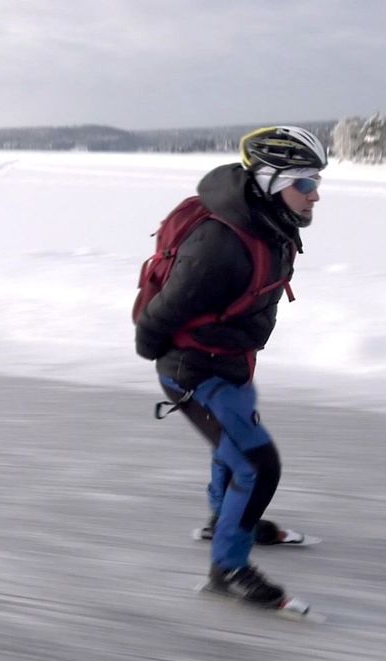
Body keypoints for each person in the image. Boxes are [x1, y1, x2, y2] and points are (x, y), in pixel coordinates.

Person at [134, 126, 327, 607]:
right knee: (258, 466)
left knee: (234, 445)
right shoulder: (219, 246)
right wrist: (163, 355)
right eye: (303, 183)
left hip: (231, 361)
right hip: (195, 369)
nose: (315, 195)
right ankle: (228, 568)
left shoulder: (269, 218)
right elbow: (160, 316)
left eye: (316, 182)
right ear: (266, 181)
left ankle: (224, 520)